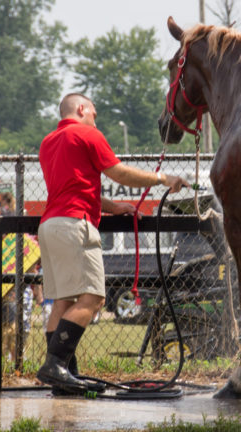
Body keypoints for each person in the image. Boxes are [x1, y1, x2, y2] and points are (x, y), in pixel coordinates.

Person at [36, 93, 188, 394]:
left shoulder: (49, 141)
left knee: (64, 300)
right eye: (94, 111)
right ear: (82, 109)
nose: (96, 117)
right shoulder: (87, 133)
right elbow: (118, 171)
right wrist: (161, 178)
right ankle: (55, 365)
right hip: (75, 224)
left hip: (50, 225)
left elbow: (73, 187)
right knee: (93, 298)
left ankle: (64, 376)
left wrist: (111, 206)